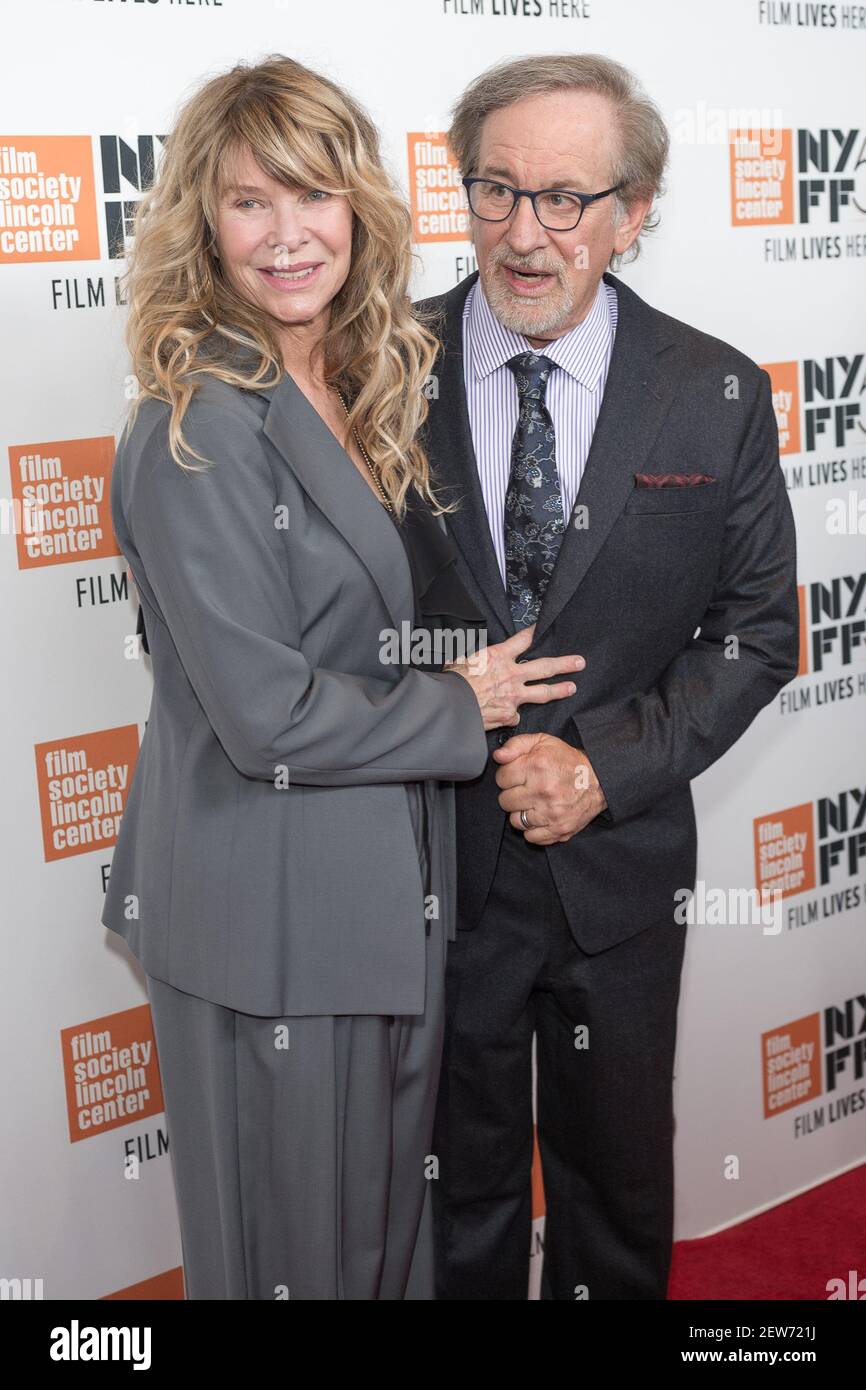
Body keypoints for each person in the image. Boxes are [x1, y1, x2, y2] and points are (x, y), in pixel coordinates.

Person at [101, 54, 584, 1300]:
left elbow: (347, 631)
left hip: (368, 893)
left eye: (312, 195)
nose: (286, 234)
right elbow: (264, 713)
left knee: (372, 1247)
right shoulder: (199, 418)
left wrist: (441, 666)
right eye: (249, 201)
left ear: (355, 205)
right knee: (298, 1260)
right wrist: (456, 705)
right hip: (268, 914)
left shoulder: (347, 374)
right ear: (201, 222)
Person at [418, 53, 800, 1299]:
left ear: (633, 213)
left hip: (617, 876)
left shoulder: (712, 390)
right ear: (460, 187)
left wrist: (600, 767)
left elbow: (755, 632)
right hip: (426, 868)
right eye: (496, 189)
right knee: (446, 1193)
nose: (524, 236)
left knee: (615, 1191)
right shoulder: (373, 363)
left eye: (567, 199)